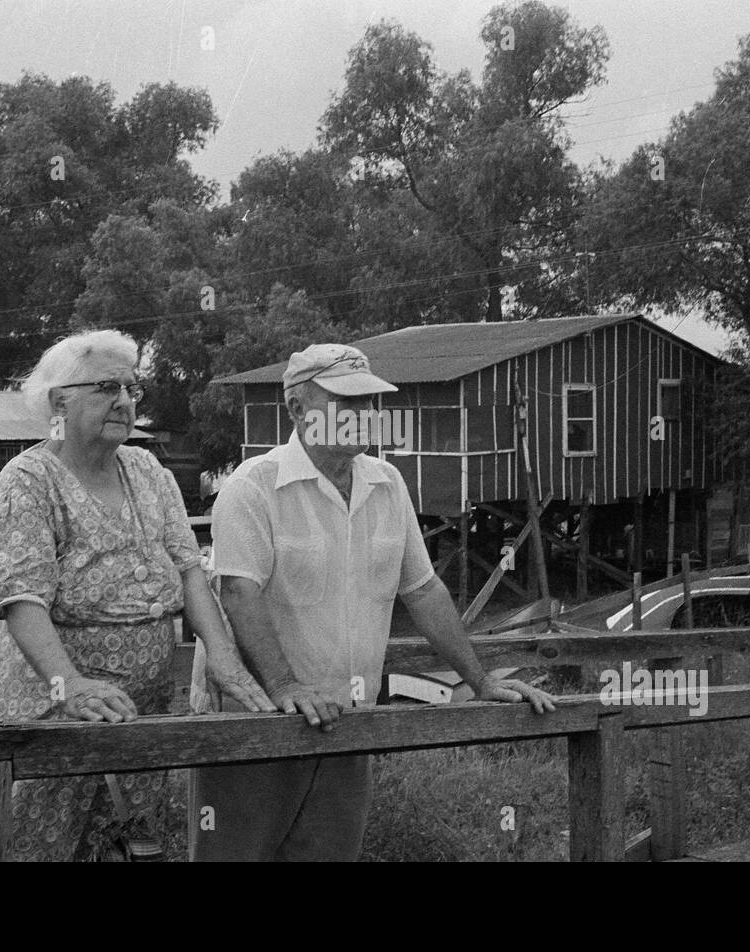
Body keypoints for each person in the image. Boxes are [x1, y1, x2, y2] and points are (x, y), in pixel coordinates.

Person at [189, 343, 556, 862]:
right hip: (255, 723)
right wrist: (286, 687)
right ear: (297, 408)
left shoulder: (387, 483)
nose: (362, 416)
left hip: (347, 718)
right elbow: (239, 593)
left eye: (368, 404)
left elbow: (424, 589)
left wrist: (481, 680)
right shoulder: (253, 487)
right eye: (346, 403)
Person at [0, 329, 273, 861]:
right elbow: (21, 600)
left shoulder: (147, 471)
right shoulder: (26, 481)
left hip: (138, 719)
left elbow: (189, 573)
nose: (125, 401)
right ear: (58, 400)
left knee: (123, 849)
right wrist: (71, 686)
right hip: (51, 717)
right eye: (107, 387)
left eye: (133, 389)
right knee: (33, 847)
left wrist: (224, 659)